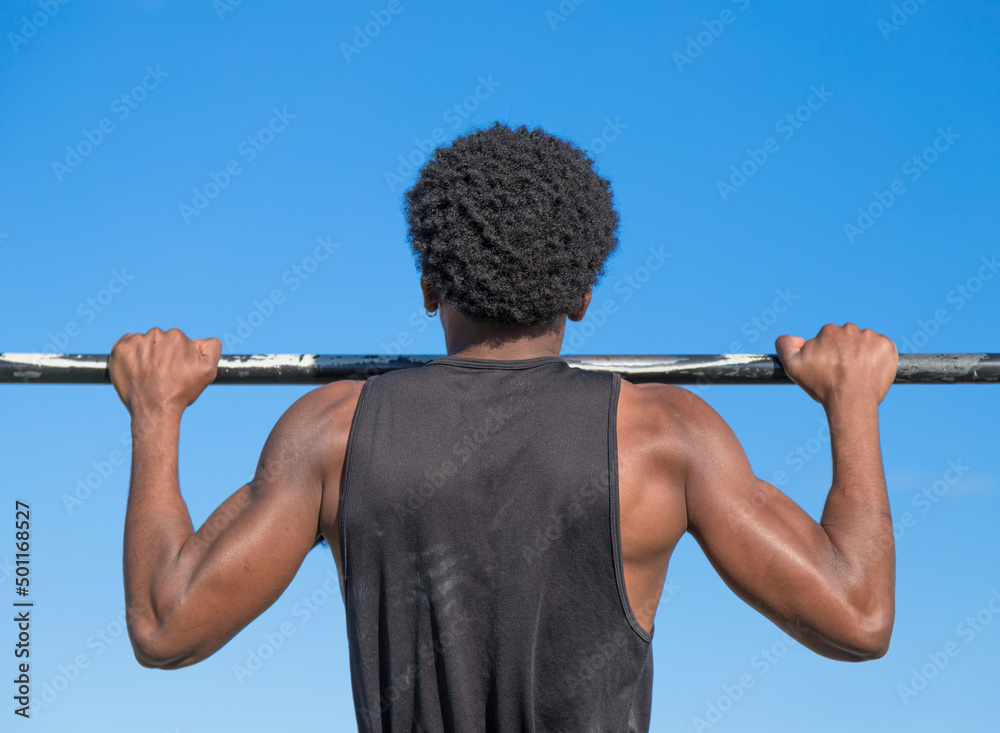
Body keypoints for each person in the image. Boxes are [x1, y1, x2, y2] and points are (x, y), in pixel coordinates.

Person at [108, 122, 898, 732]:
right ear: (584, 294)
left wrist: (157, 410)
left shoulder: (333, 431)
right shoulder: (666, 436)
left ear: (427, 286)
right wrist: (852, 404)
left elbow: (165, 622)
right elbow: (857, 618)